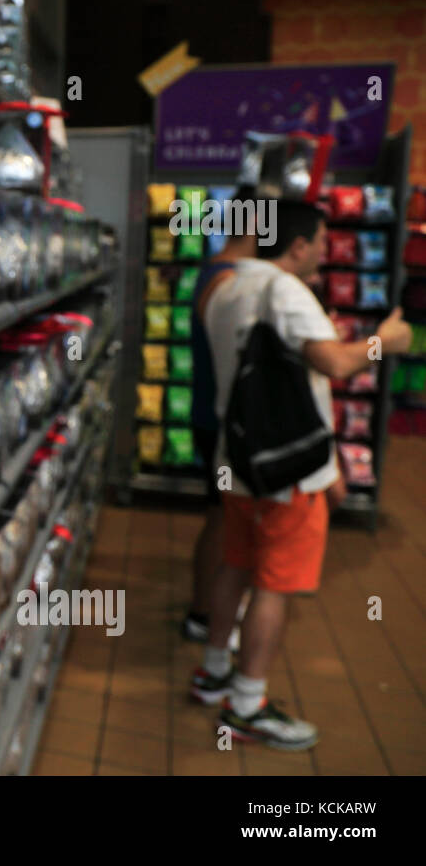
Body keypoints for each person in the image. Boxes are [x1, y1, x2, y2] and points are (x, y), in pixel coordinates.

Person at [189, 199, 411, 750]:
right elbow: (335, 362)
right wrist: (386, 342)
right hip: (288, 469)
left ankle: (213, 671)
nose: (325, 251)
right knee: (276, 584)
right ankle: (247, 706)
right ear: (297, 245)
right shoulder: (286, 290)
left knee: (236, 563)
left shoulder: (225, 287)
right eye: (321, 241)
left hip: (237, 460)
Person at [182, 189, 256, 643]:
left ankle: (206, 611)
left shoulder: (216, 273)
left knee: (221, 515)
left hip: (213, 419)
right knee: (224, 517)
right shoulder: (227, 282)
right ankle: (203, 614)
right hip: (220, 423)